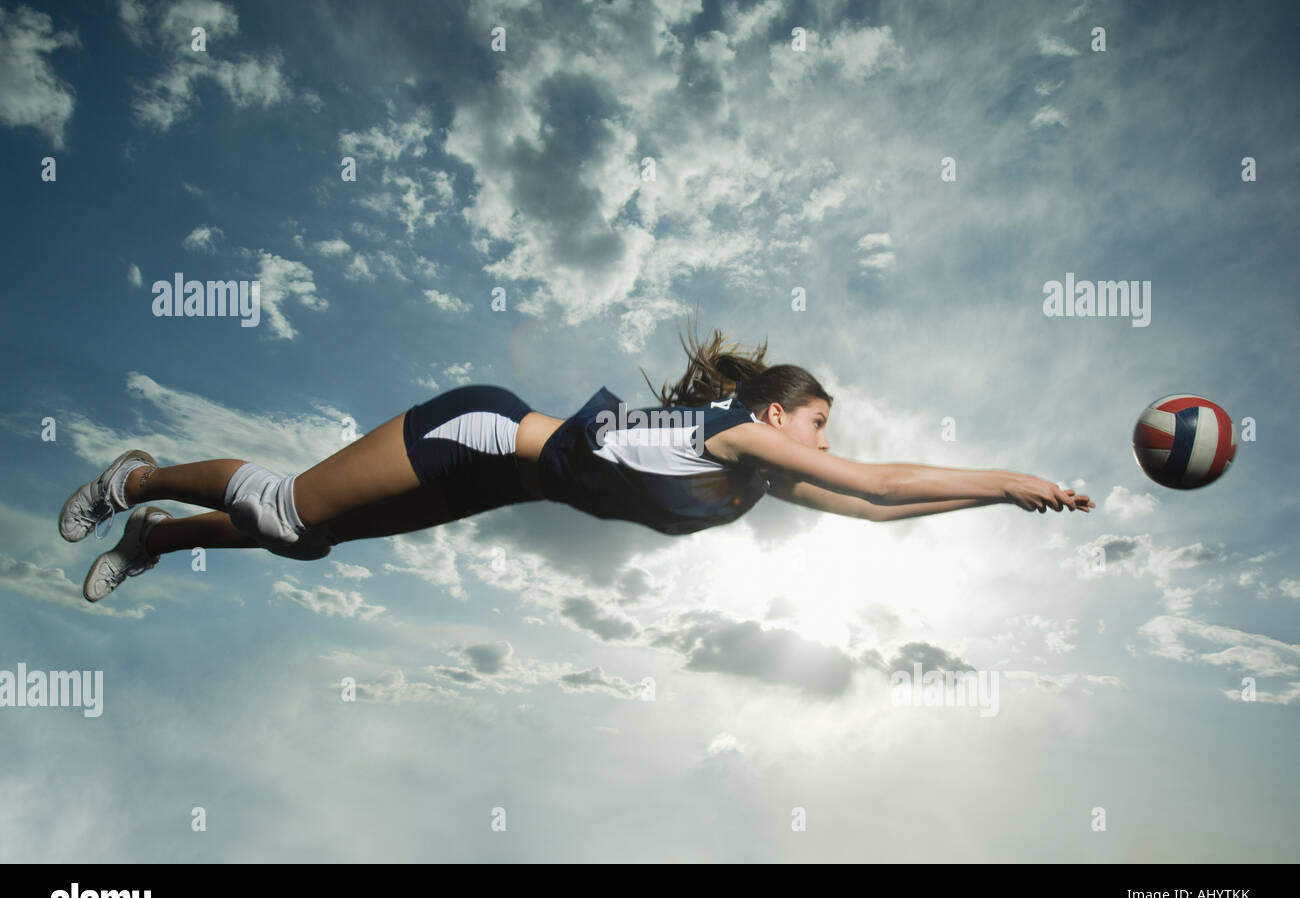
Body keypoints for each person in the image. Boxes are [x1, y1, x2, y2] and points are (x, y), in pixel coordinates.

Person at [60, 324, 1092, 602]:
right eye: (817, 424)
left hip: (502, 485)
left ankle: (156, 538)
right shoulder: (740, 429)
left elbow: (872, 509)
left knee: (304, 538)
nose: (821, 446)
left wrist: (990, 506)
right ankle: (137, 478)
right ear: (780, 409)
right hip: (480, 433)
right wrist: (1004, 476)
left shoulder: (762, 474)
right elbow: (872, 480)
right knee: (285, 505)